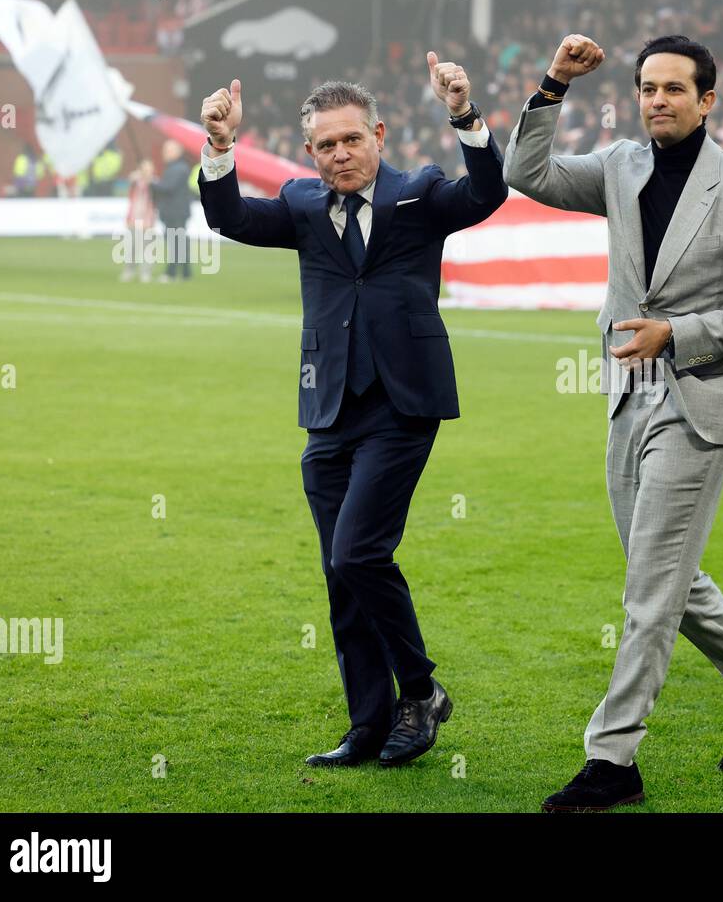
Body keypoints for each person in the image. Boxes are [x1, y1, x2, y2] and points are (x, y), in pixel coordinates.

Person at [505, 34, 723, 812]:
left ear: (708, 100)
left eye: (675, 89)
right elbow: (526, 172)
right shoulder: (620, 166)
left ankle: (613, 760)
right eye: (648, 88)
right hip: (627, 392)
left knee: (649, 590)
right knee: (664, 576)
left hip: (700, 403)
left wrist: (675, 333)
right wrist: (554, 85)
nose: (658, 100)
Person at [197, 57, 507, 770]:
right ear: (310, 152)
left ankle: (421, 692)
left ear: (379, 134)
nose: (339, 154)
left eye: (351, 140)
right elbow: (232, 217)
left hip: (403, 406)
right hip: (327, 409)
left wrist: (464, 115)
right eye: (325, 145)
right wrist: (220, 147)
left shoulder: (421, 193)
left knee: (358, 551)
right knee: (342, 579)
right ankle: (367, 724)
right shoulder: (305, 205)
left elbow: (486, 193)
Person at [151, 140, 193, 282]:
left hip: (176, 212)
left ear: (177, 152)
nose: (165, 153)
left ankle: (172, 272)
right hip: (174, 211)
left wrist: (151, 182)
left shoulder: (179, 168)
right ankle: (185, 272)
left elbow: (168, 187)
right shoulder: (175, 167)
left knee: (176, 242)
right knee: (178, 242)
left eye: (168, 150)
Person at [119, 160, 156, 283]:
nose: (147, 172)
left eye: (149, 169)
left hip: (148, 219)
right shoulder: (135, 182)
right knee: (131, 247)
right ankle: (129, 270)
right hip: (134, 218)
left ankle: (146, 272)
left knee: (147, 248)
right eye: (145, 169)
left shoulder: (154, 182)